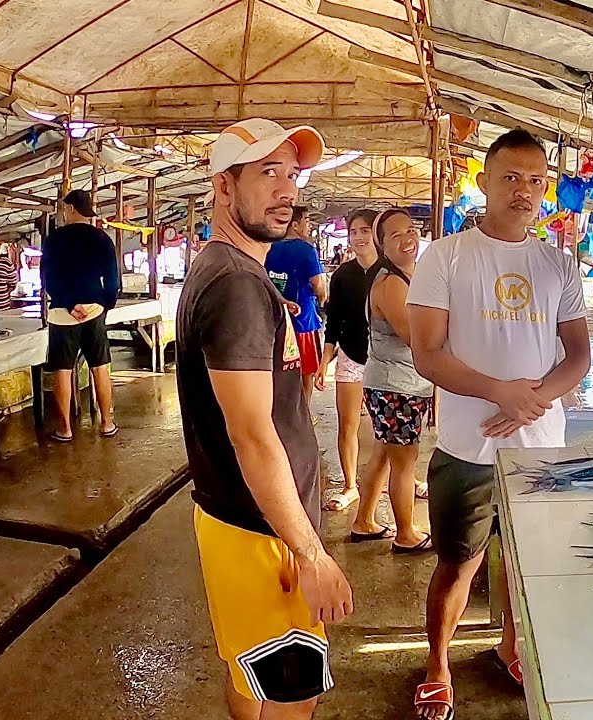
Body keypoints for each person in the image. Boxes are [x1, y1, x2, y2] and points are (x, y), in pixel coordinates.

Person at [406, 129, 592, 720]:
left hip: (540, 446)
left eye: (536, 180)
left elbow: (579, 356)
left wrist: (533, 401)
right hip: (468, 444)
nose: (524, 191)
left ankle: (512, 644)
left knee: (523, 560)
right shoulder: (447, 255)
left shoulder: (557, 263)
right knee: (458, 561)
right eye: (511, 177)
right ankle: (438, 662)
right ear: (483, 182)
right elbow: (427, 354)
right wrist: (499, 393)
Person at [176, 118, 351, 720]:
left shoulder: (227, 268)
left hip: (236, 519)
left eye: (292, 174)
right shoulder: (235, 285)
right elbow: (252, 435)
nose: (286, 190)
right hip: (262, 532)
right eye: (267, 173)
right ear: (224, 185)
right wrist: (310, 553)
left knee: (250, 677)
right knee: (290, 697)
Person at [349, 208, 435, 552]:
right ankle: (406, 534)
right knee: (405, 462)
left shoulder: (407, 277)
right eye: (396, 236)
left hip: (399, 384)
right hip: (396, 387)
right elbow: (416, 337)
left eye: (411, 231)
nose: (408, 239)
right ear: (382, 245)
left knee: (384, 454)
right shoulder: (391, 284)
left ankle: (364, 521)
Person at [40, 190, 120, 442]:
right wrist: (105, 304)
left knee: (62, 371)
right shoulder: (102, 238)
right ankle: (107, 423)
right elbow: (113, 279)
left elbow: (48, 279)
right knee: (100, 367)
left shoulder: (54, 239)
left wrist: (70, 303)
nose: (63, 213)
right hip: (94, 309)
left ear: (72, 208)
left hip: (62, 313)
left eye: (65, 209)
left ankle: (65, 429)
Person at [320, 209, 380, 512]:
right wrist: (324, 362)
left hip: (389, 361)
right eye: (353, 232)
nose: (358, 237)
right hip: (352, 357)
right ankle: (349, 486)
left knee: (391, 428)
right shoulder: (343, 275)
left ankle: (408, 479)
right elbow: (334, 322)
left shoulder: (392, 271)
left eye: (364, 231)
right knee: (347, 424)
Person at [266, 206, 329, 404]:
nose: (309, 226)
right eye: (306, 220)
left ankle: (278, 411)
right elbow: (319, 286)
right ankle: (304, 414)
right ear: (294, 224)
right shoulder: (306, 249)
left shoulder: (269, 247)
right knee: (306, 371)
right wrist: (322, 299)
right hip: (303, 321)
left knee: (277, 369)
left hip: (274, 320)